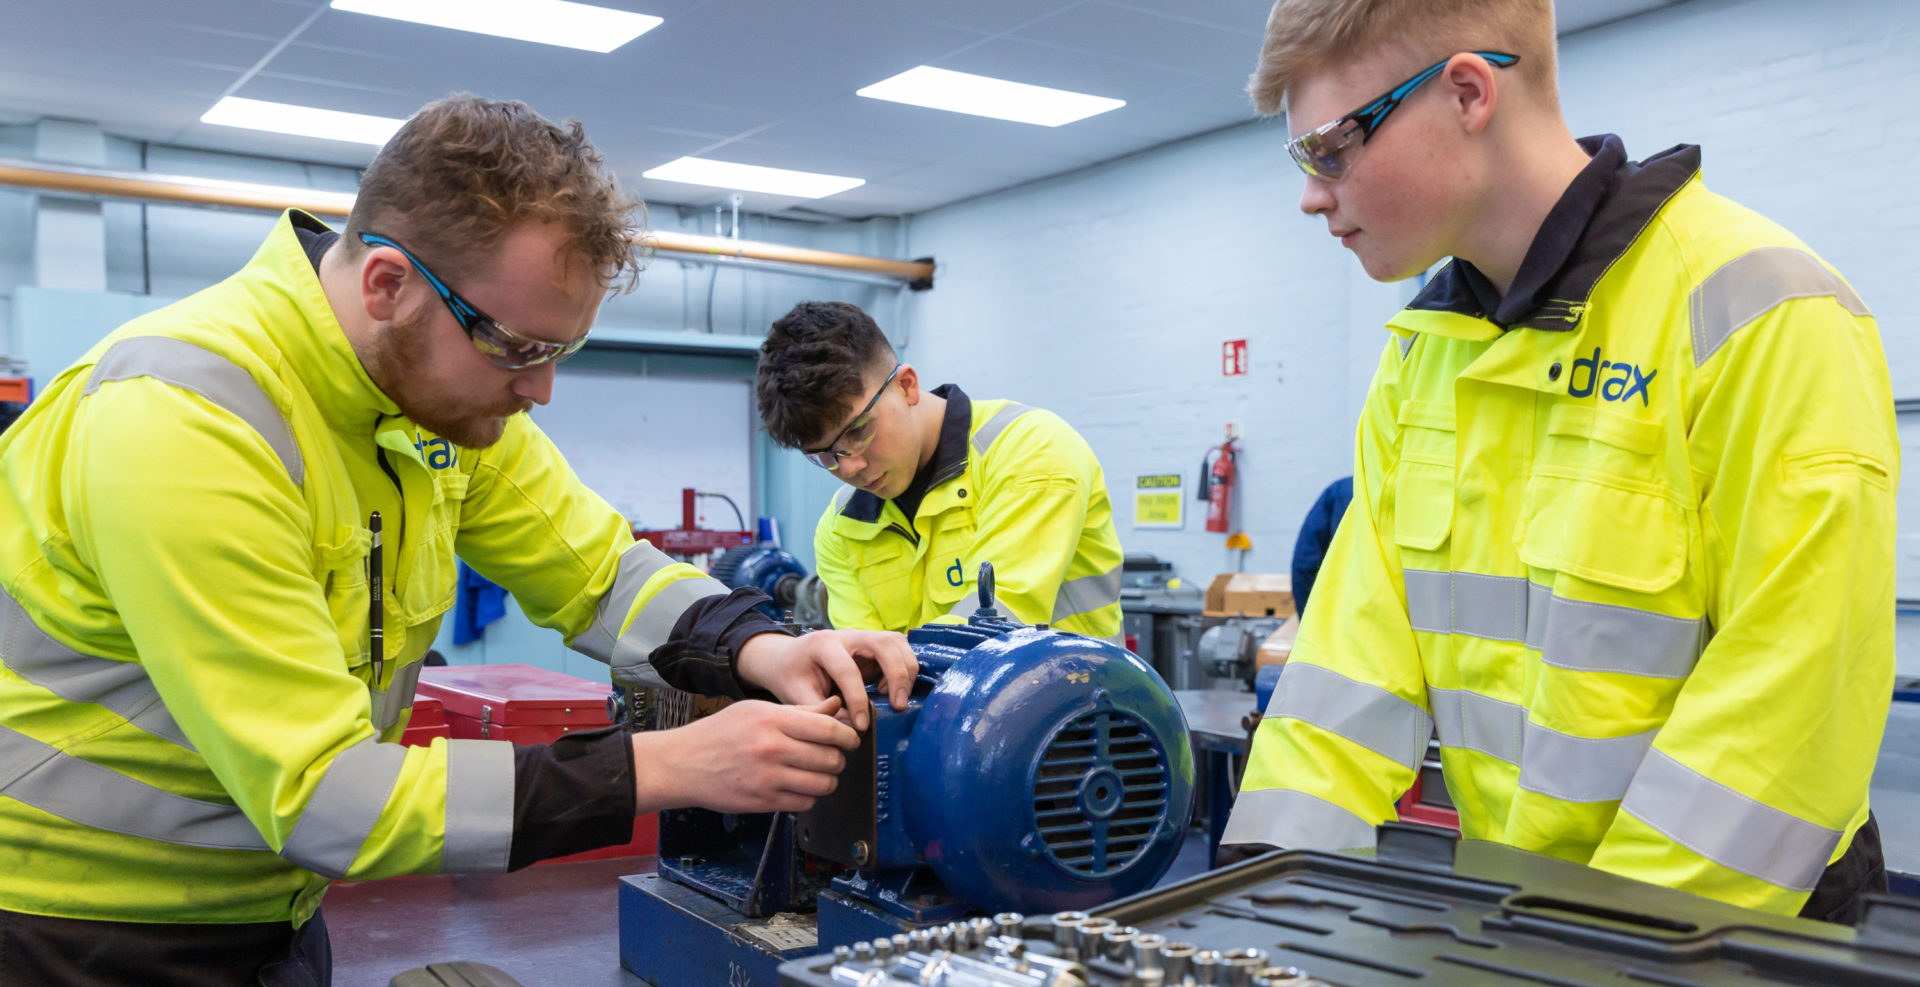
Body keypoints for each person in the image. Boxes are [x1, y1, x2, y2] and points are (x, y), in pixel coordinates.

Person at [0, 96, 916, 987]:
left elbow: (594, 567)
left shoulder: (433, 396)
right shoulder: (187, 422)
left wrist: (762, 645)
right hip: (80, 962)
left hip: (269, 929)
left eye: (560, 350)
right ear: (388, 284)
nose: (541, 388)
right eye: (520, 348)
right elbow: (331, 799)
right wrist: (667, 767)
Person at [1222, 0, 1894, 925]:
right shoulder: (1424, 355)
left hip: (1736, 922)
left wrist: (1601, 943)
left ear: (1468, 93)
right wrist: (1264, 903)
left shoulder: (1762, 312)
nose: (1311, 195)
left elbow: (1792, 701)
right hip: (1523, 911)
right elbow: (1350, 660)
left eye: (1331, 150)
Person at [756, 301, 1125, 640]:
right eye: (825, 456)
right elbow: (869, 663)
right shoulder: (841, 527)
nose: (851, 467)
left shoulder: (1031, 449)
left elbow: (993, 632)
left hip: (1081, 690)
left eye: (859, 431)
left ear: (906, 386)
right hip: (941, 697)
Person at [1290, 475, 1353, 615]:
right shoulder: (1404, 492)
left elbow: (1305, 562)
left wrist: (1308, 618)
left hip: (1343, 613)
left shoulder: (1341, 490)